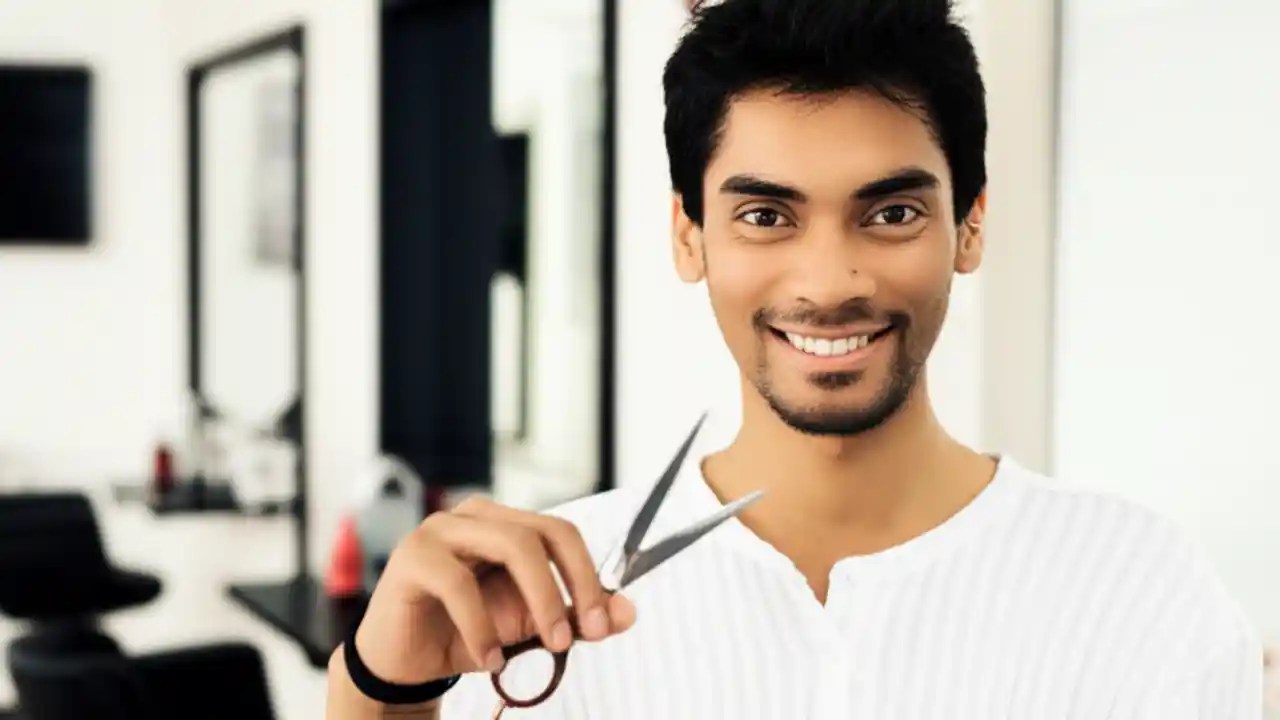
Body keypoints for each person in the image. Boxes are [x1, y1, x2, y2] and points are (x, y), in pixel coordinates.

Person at [327, 0, 1263, 717]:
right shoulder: (541, 605)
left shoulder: (1142, 593)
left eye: (891, 213)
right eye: (766, 216)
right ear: (689, 236)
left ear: (970, 224)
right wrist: (379, 688)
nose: (828, 282)